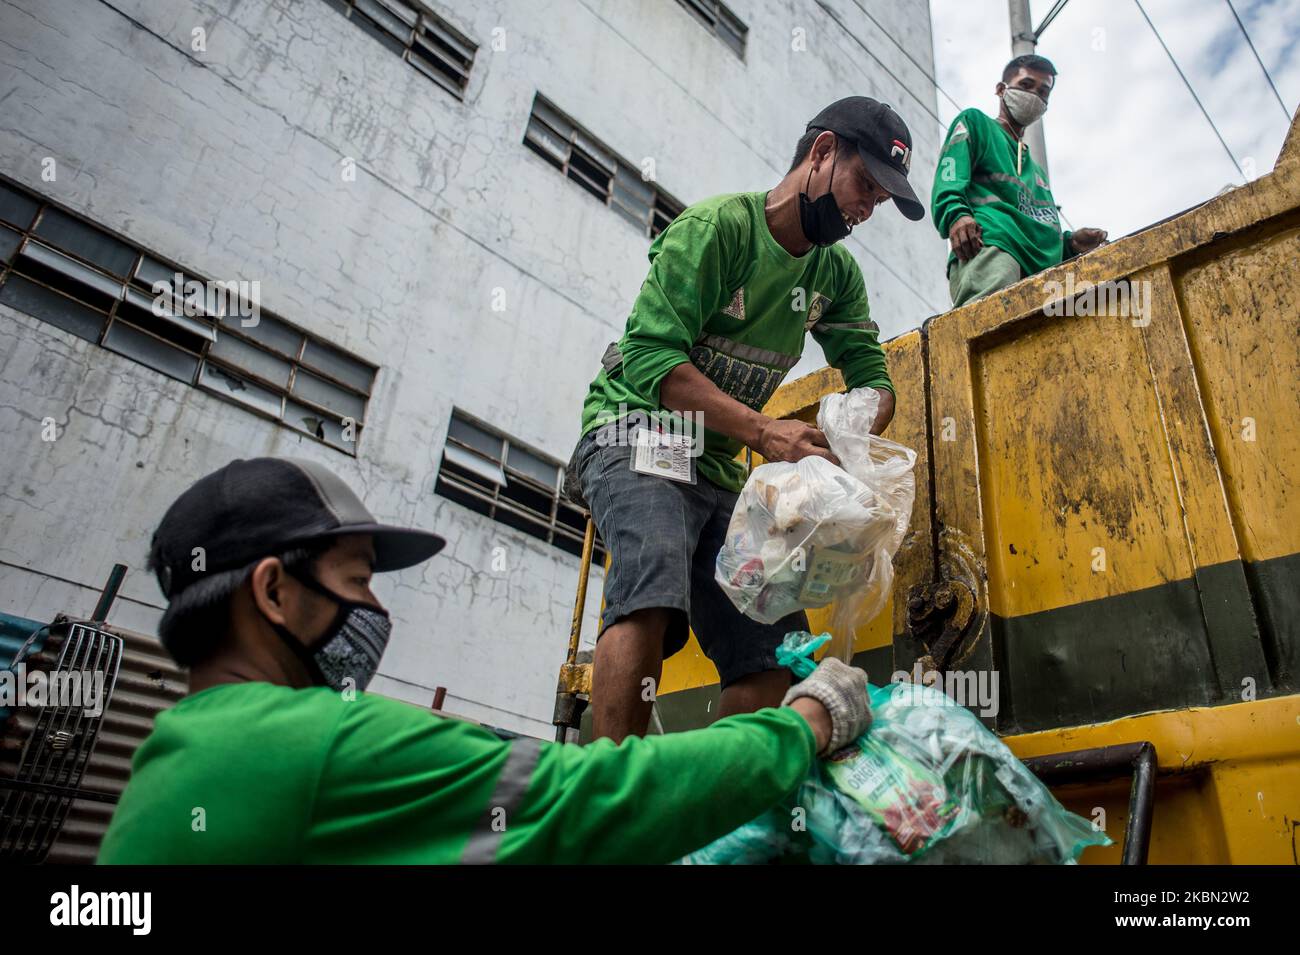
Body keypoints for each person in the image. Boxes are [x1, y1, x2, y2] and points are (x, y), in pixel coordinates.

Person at [97, 457, 873, 864]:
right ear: (273, 591)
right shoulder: (315, 746)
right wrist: (807, 720)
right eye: (357, 582)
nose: (375, 612)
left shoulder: (169, 762)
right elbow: (593, 800)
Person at [565, 97, 925, 744]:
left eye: (878, 199)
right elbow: (650, 355)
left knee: (773, 659)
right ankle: (608, 791)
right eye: (862, 185)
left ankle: (700, 808)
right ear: (820, 154)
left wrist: (851, 436)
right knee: (652, 584)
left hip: (712, 464)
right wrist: (763, 432)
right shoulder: (717, 231)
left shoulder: (834, 275)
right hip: (631, 435)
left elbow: (871, 375)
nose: (865, 208)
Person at [932, 54, 1108, 307]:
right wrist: (956, 215)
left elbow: (1036, 220)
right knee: (990, 326)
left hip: (1045, 277)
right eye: (1026, 85)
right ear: (1001, 90)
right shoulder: (976, 124)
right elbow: (949, 174)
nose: (1035, 95)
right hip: (994, 248)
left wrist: (1070, 244)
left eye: (1043, 91)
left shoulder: (1037, 172)